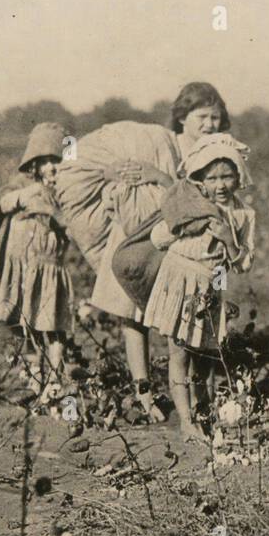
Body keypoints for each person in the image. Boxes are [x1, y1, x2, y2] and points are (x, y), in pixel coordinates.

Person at [85, 82, 231, 422]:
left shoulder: (217, 154)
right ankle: (144, 393)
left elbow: (196, 199)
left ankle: (196, 396)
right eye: (202, 116)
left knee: (185, 319)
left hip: (181, 247)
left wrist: (160, 178)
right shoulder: (163, 144)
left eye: (215, 117)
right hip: (140, 235)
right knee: (132, 317)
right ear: (182, 118)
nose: (209, 124)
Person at [141, 133, 255, 440]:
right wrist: (185, 226)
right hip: (179, 278)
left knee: (206, 353)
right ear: (200, 180)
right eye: (213, 177)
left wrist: (228, 240)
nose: (220, 185)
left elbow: (242, 264)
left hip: (212, 282)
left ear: (238, 176)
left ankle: (204, 411)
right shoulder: (189, 205)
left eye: (227, 176)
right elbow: (158, 238)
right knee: (178, 352)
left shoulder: (243, 215)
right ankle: (185, 421)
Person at [0, 122, 77, 408]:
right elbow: (2, 205)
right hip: (22, 270)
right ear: (35, 165)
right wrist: (24, 198)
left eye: (58, 161)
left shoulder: (67, 195)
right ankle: (34, 375)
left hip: (49, 268)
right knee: (24, 323)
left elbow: (73, 227)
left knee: (52, 325)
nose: (52, 167)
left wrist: (51, 211)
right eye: (46, 161)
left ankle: (54, 380)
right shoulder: (22, 189)